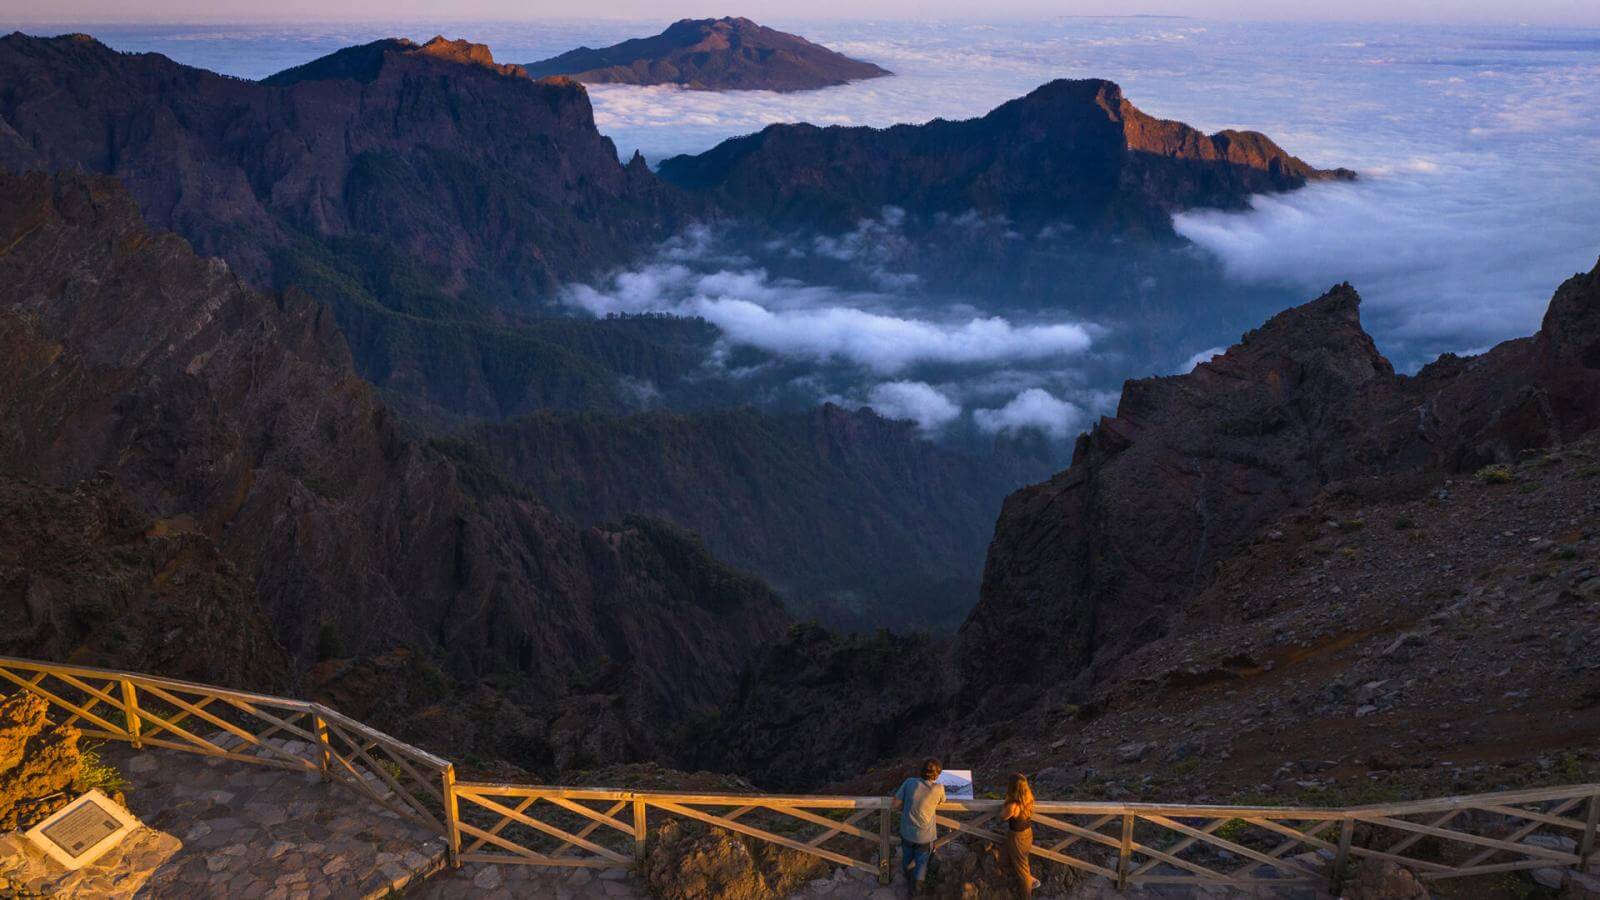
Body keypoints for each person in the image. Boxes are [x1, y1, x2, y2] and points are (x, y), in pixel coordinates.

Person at [892, 758, 946, 895]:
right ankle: (916, 890)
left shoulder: (909, 782)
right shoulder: (939, 788)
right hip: (925, 835)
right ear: (937, 774)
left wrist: (908, 808)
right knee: (921, 863)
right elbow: (942, 801)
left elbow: (895, 804)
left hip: (907, 831)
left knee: (907, 857)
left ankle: (907, 877)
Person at [999, 773, 1038, 899]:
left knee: (1022, 871)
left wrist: (1005, 803)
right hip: (1027, 833)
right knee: (1019, 863)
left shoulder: (1013, 805)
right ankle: (1030, 879)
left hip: (1017, 837)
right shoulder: (1028, 799)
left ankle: (1027, 893)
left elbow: (1002, 816)